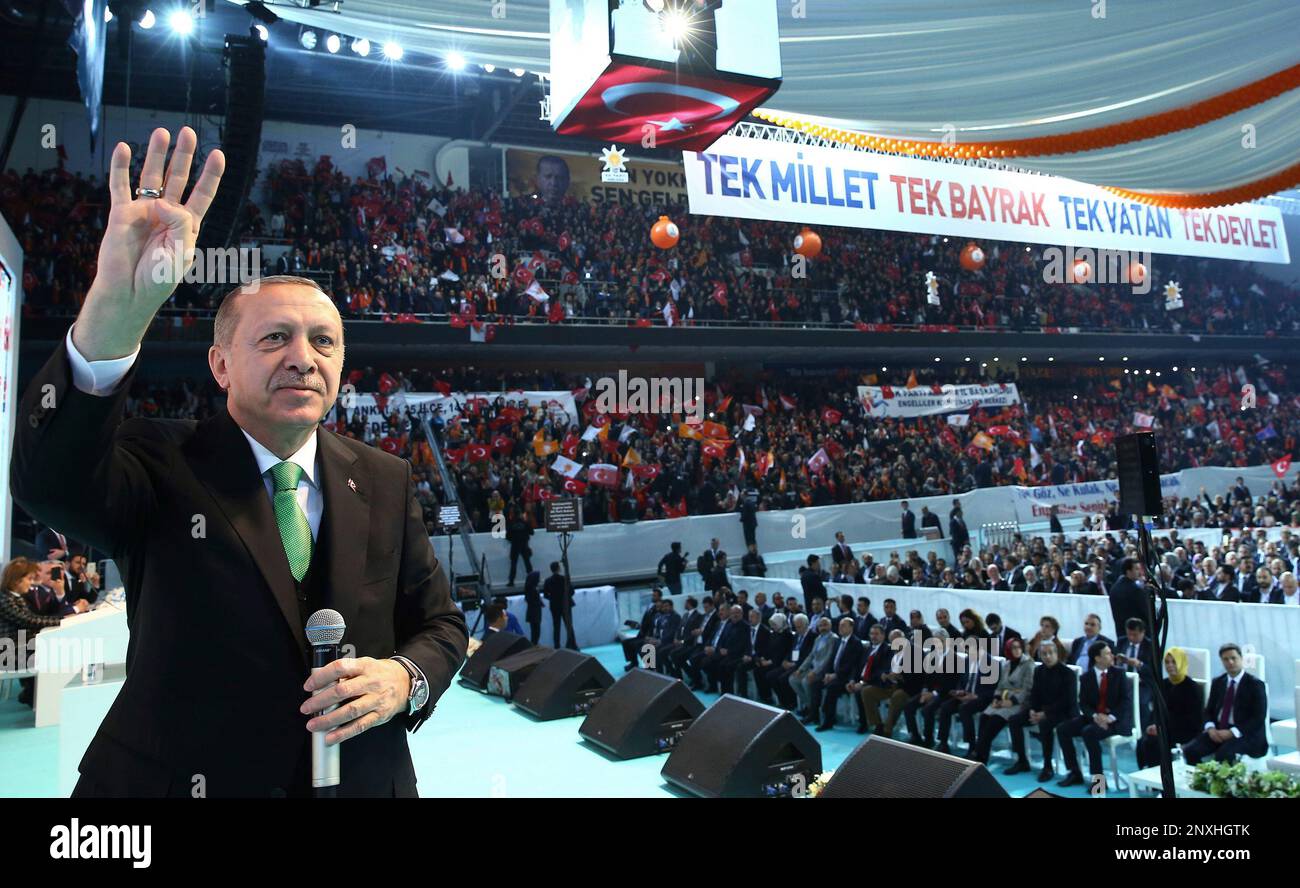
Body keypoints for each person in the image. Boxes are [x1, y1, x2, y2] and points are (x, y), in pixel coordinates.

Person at [10, 128, 468, 797]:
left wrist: (405, 678)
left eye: (323, 341)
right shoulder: (158, 460)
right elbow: (45, 481)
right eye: (275, 337)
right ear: (220, 364)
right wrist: (117, 308)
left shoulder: (385, 478)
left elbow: (440, 624)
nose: (303, 358)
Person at [1056, 641, 1132, 787]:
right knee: (1062, 729)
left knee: (1088, 732)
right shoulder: (1086, 677)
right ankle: (1074, 772)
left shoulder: (1119, 674)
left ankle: (1098, 780)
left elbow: (1126, 702)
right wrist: (1095, 716)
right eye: (1108, 654)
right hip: (1095, 717)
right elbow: (1083, 704)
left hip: (1115, 720)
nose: (1112, 656)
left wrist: (1109, 718)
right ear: (1097, 658)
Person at [1182, 643, 1268, 764]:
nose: (1230, 662)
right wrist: (1210, 728)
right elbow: (1209, 711)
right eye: (1226, 659)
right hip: (1218, 730)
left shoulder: (1255, 685)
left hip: (1244, 733)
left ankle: (1220, 782)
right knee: (1190, 750)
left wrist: (1232, 732)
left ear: (1241, 659)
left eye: (1234, 658)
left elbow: (1258, 717)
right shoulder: (1218, 682)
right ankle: (1202, 779)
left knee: (1225, 754)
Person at [1005, 638, 1076, 781]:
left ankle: (1047, 766)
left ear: (1057, 654)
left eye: (1050, 653)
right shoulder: (1039, 671)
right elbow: (1034, 693)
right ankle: (1022, 761)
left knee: (1045, 724)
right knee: (1014, 720)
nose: (1047, 657)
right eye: (1044, 654)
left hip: (1063, 713)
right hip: (1041, 710)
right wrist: (1033, 709)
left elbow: (1067, 701)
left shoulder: (1067, 673)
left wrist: (1044, 713)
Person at [0, 558, 64, 706]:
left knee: (52, 650)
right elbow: (28, 621)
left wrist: (61, 620)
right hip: (7, 652)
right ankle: (40, 699)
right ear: (17, 580)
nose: (31, 582)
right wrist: (61, 621)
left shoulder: (14, 597)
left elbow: (31, 620)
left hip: (17, 647)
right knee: (51, 653)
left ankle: (35, 696)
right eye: (29, 579)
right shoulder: (4, 599)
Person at [1136, 648, 1204, 769]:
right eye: (1167, 662)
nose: (1170, 665)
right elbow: (1156, 711)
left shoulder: (1192, 688)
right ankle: (1152, 781)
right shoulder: (1163, 684)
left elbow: (1193, 719)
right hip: (1163, 727)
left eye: (1174, 661)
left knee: (1154, 743)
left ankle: (1162, 781)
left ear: (1182, 662)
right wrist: (1153, 725)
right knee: (1142, 741)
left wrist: (1162, 728)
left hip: (1184, 729)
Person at [971, 638, 1036, 764]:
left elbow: (1028, 688)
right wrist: (996, 698)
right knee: (985, 716)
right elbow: (1000, 686)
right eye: (1013, 648)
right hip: (1002, 700)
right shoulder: (1006, 664)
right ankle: (982, 755)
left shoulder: (1028, 664)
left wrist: (1012, 700)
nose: (1016, 650)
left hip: (1019, 703)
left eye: (1018, 647)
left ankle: (978, 752)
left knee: (994, 720)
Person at [934, 646, 996, 756]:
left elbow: (992, 689)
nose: (969, 653)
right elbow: (961, 680)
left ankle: (972, 745)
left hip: (981, 698)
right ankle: (943, 743)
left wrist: (975, 696)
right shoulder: (967, 661)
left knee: (964, 709)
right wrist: (959, 691)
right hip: (965, 695)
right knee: (945, 707)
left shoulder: (992, 663)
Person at [816, 617, 863, 731]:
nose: (840, 628)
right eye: (840, 625)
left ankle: (829, 720)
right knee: (816, 683)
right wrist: (828, 673)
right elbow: (832, 659)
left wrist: (835, 675)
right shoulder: (838, 641)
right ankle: (815, 714)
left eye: (844, 625)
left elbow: (852, 665)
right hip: (835, 674)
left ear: (851, 627)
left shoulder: (856, 643)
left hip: (847, 677)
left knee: (832, 688)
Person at [789, 617, 835, 722]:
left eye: (825, 625)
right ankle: (810, 707)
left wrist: (815, 672)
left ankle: (813, 713)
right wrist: (800, 669)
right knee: (793, 679)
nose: (822, 627)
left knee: (806, 682)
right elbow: (810, 656)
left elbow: (827, 659)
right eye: (820, 625)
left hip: (823, 670)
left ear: (830, 626)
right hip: (812, 668)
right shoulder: (818, 639)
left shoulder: (833, 639)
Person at [771, 613, 814, 709]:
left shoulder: (812, 636)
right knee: (772, 676)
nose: (798, 629)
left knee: (784, 678)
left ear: (806, 624)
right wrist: (785, 660)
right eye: (796, 627)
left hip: (801, 665)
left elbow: (808, 655)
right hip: (791, 662)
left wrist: (794, 665)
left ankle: (792, 703)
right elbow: (791, 649)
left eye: (800, 626)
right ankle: (783, 702)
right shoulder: (797, 636)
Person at [753, 612, 792, 705]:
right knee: (757, 671)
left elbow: (783, 652)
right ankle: (766, 696)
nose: (773, 626)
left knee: (770, 675)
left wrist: (770, 662)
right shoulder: (774, 633)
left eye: (774, 624)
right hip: (771, 660)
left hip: (779, 662)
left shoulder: (787, 635)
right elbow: (768, 648)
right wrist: (763, 658)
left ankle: (784, 701)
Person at [658, 596, 703, 677]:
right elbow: (679, 629)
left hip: (688, 644)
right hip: (679, 642)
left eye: (686, 603)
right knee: (664, 652)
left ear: (689, 603)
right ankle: (674, 674)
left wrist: (682, 641)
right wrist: (676, 638)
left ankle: (683, 676)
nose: (684, 604)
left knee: (674, 654)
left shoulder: (698, 616)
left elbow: (693, 634)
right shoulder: (685, 615)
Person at [622, 587, 664, 670]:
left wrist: (648, 635)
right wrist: (637, 625)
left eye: (655, 596)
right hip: (643, 633)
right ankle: (634, 663)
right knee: (626, 642)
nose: (653, 597)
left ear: (660, 597)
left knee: (638, 644)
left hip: (651, 635)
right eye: (653, 595)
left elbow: (654, 624)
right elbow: (646, 622)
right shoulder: (650, 607)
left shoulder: (659, 609)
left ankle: (650, 666)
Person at [543, 561, 578, 650]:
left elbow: (546, 595)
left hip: (554, 606)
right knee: (569, 625)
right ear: (559, 568)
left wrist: (553, 598)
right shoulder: (564, 579)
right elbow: (571, 591)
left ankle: (557, 646)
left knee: (556, 626)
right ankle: (573, 644)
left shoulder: (547, 581)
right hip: (565, 605)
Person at [505, 510, 533, 586]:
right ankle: (532, 580)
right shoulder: (525, 523)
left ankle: (511, 581)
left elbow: (507, 536)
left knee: (513, 564)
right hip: (524, 545)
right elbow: (532, 532)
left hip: (514, 546)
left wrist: (513, 539)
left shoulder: (511, 524)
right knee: (527, 563)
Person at [522, 570, 544, 644]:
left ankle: (534, 644)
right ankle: (534, 644)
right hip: (534, 612)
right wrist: (539, 603)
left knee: (535, 630)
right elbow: (531, 600)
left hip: (533, 612)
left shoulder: (531, 588)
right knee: (536, 630)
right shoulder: (533, 589)